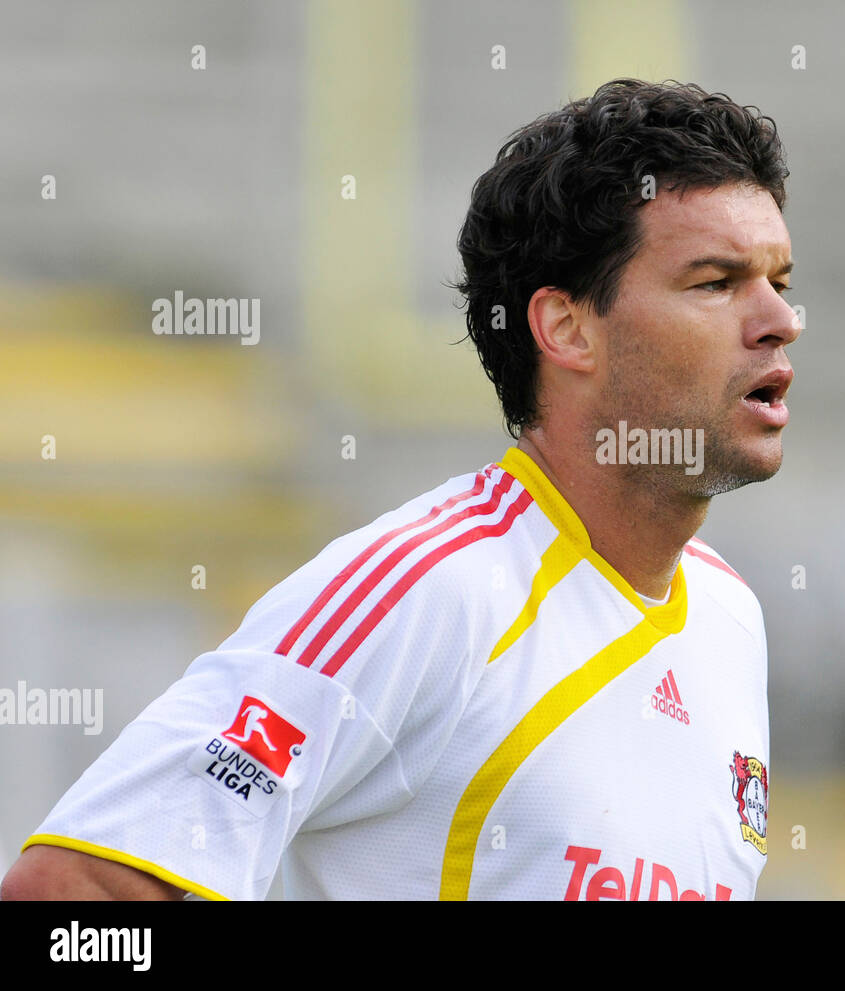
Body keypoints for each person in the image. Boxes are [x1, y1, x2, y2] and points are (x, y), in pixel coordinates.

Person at [1, 77, 800, 901]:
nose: (780, 318)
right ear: (566, 327)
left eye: (780, 278)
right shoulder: (434, 590)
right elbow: (72, 889)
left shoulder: (730, 620)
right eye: (715, 282)